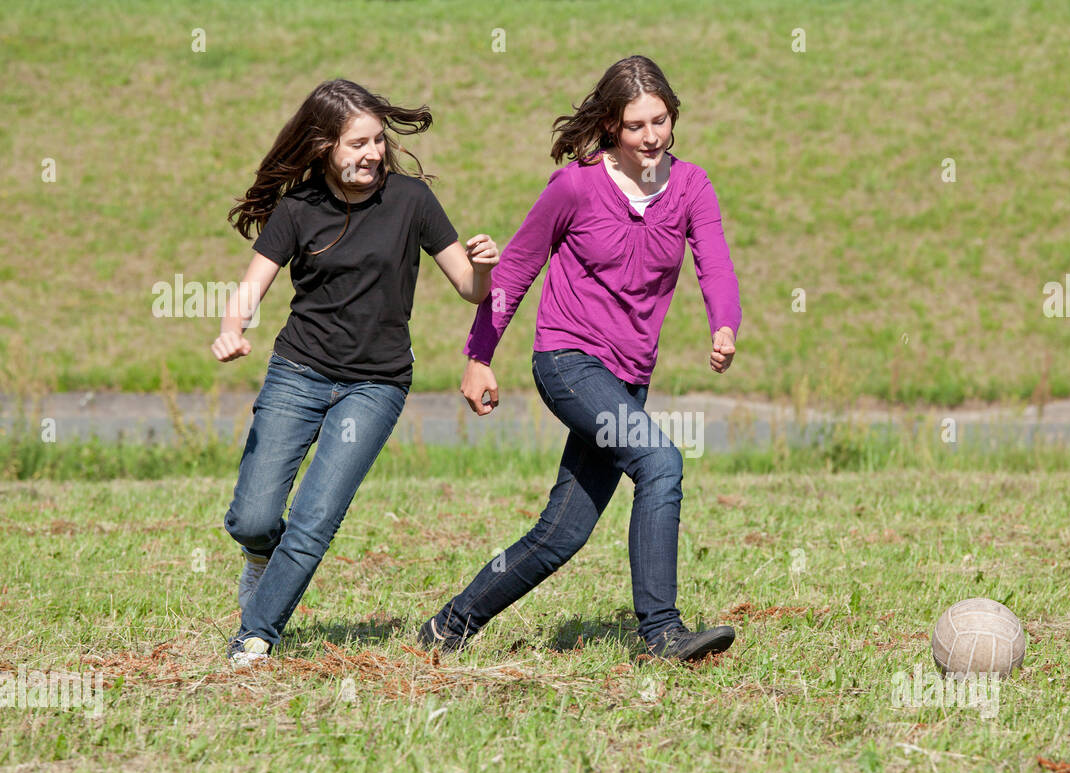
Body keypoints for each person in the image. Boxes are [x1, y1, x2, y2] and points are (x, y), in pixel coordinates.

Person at [420, 55, 742, 663]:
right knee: (661, 462)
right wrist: (478, 356)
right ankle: (662, 634)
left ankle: (449, 625)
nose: (652, 137)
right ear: (612, 127)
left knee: (561, 533)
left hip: (627, 377)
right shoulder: (574, 185)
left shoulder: (693, 186)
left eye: (661, 120)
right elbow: (513, 270)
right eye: (636, 125)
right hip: (567, 362)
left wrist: (724, 323)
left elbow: (716, 263)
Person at [214, 79, 498, 666]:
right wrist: (232, 328)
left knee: (315, 516)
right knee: (254, 517)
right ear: (324, 146)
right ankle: (262, 560)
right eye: (357, 142)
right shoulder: (298, 209)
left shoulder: (412, 202)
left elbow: (471, 291)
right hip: (298, 372)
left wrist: (483, 269)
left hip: (375, 385)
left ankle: (256, 635)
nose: (372, 153)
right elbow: (251, 285)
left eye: (378, 141)